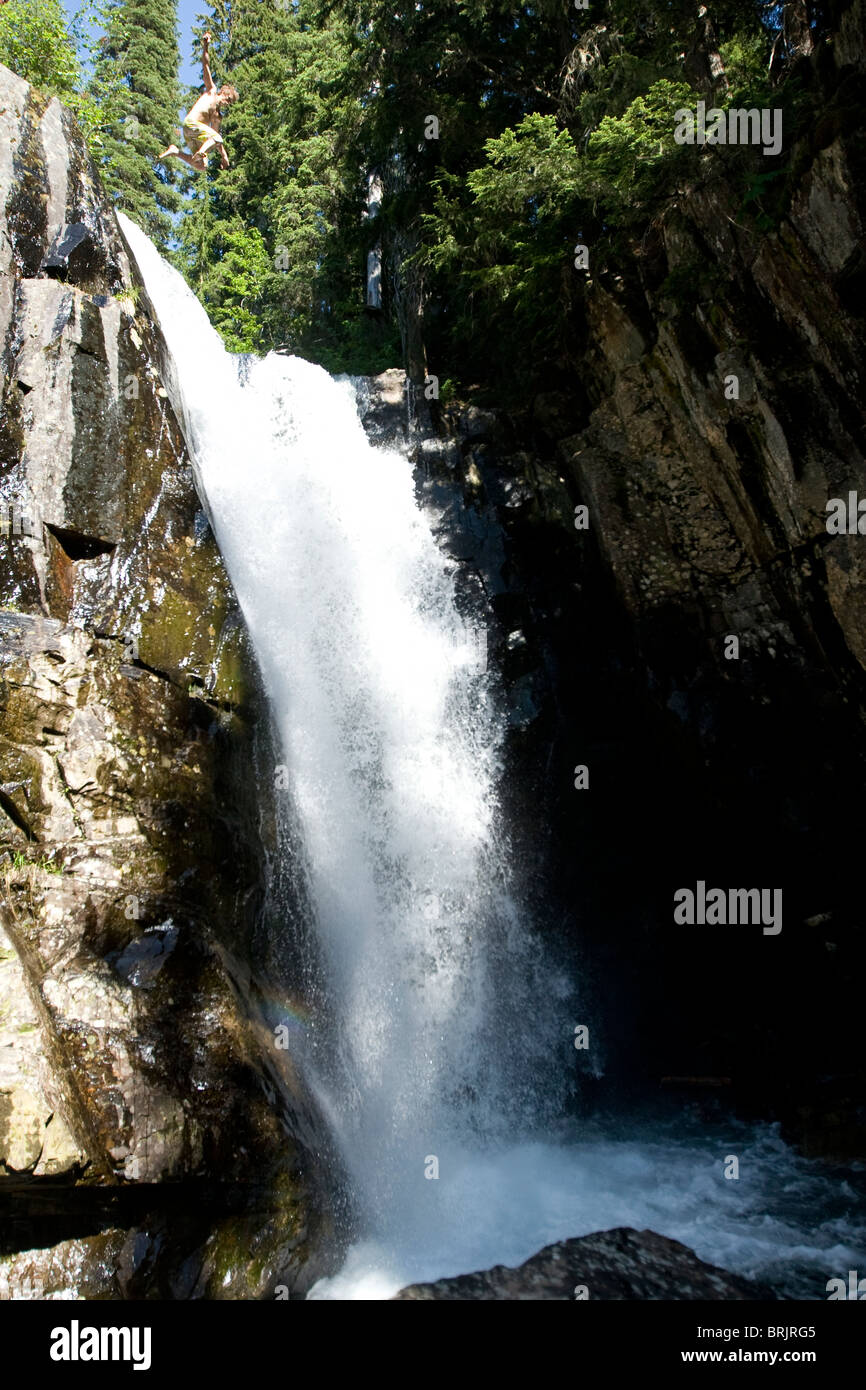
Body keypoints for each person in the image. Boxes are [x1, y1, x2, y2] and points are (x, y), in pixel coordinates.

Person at [159, 32, 238, 172]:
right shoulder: (211, 91)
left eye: (230, 102)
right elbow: (206, 65)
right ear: (223, 93)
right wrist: (206, 46)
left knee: (202, 166)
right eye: (228, 99)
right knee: (217, 139)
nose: (227, 103)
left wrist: (224, 157)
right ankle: (201, 152)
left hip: (192, 135)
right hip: (190, 123)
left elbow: (214, 139)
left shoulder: (217, 116)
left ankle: (175, 151)